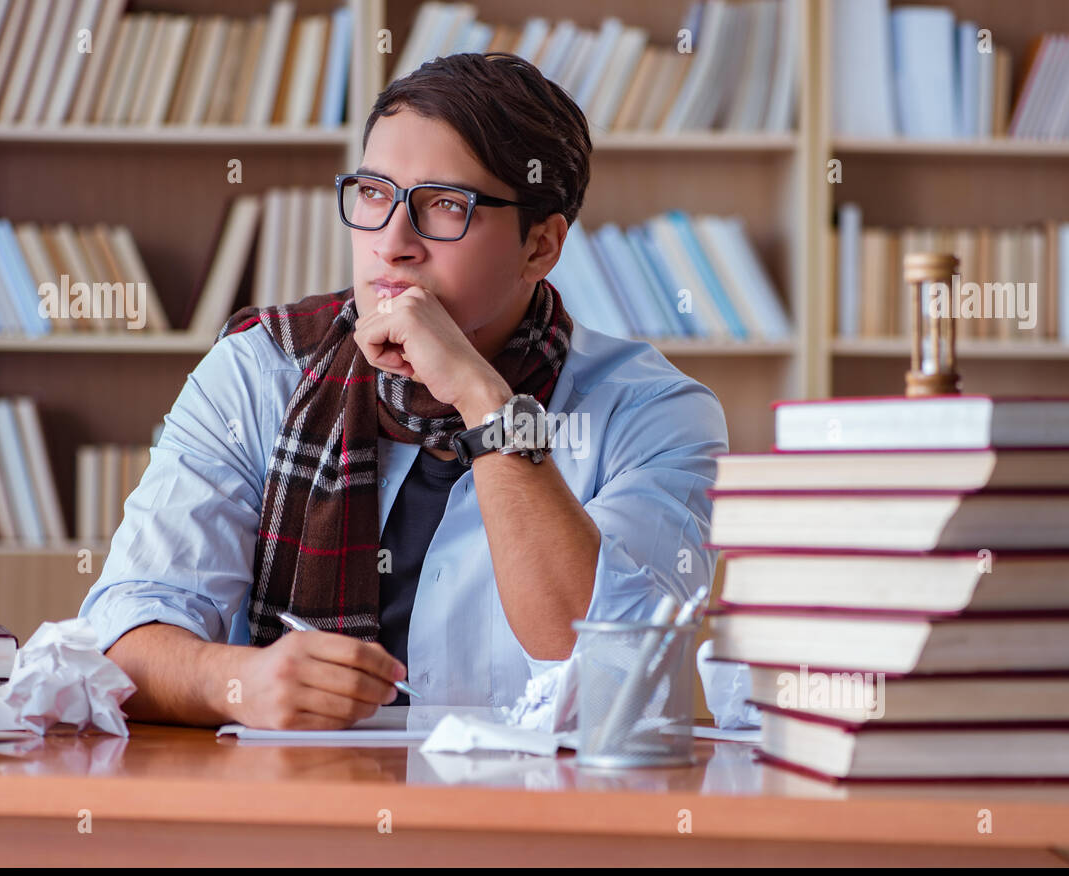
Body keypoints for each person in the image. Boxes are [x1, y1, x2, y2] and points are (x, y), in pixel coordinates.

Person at [80, 52, 728, 730]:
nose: (392, 243)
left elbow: (622, 681)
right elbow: (121, 637)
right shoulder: (257, 372)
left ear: (540, 247)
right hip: (298, 810)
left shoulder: (655, 412)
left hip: (536, 818)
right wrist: (238, 680)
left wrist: (486, 402)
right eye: (373, 194)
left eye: (446, 205)